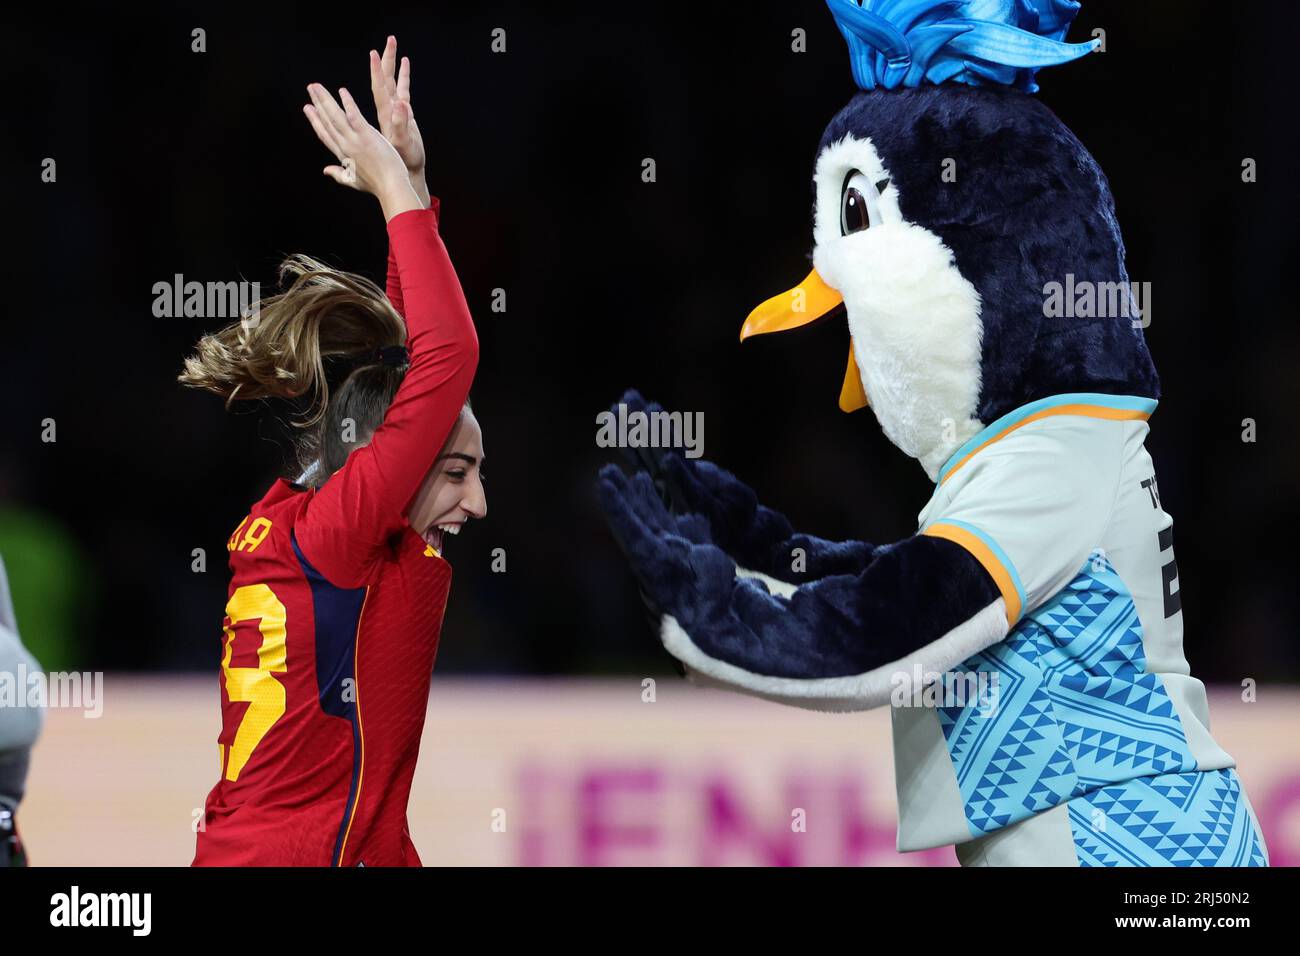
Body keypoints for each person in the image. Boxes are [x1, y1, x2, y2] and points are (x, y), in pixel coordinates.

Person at [184, 37, 485, 866]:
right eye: (457, 471)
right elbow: (445, 358)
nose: (478, 502)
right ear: (393, 460)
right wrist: (393, 191)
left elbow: (407, 370)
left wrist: (415, 189)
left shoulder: (303, 525)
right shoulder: (336, 536)